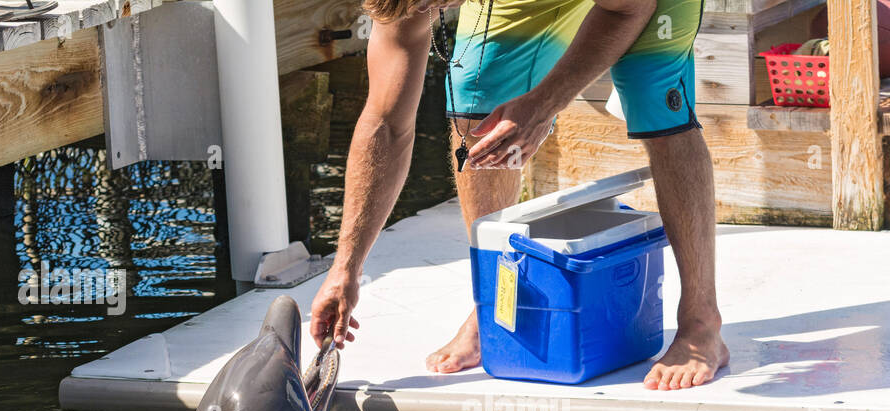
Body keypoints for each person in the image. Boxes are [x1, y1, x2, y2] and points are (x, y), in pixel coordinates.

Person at [308, 0, 728, 390]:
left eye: (433, 2)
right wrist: (346, 268)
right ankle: (494, 305)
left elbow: (628, 8)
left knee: (658, 101)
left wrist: (543, 105)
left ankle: (700, 323)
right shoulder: (405, 4)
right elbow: (385, 123)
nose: (431, 12)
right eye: (424, 7)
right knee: (475, 94)